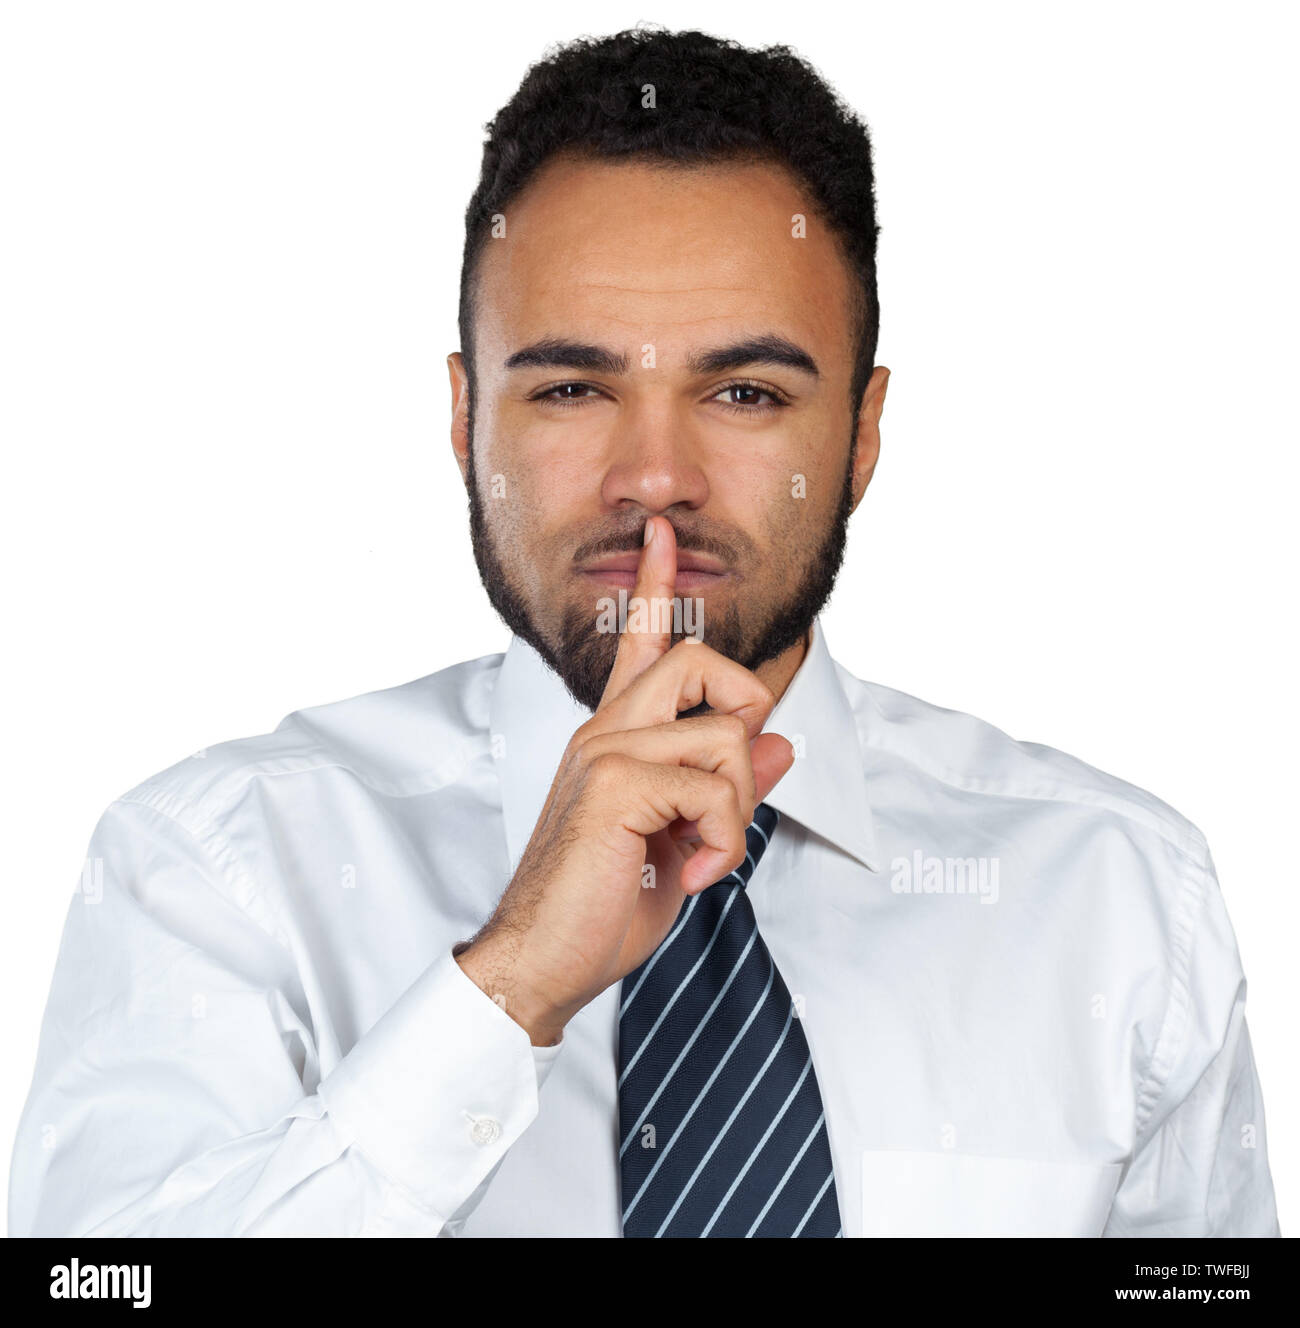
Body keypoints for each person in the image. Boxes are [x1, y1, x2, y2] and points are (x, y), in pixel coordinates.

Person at [9, 27, 1278, 1238]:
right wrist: (503, 988)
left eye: (743, 391)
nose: (653, 476)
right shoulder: (218, 874)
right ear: (465, 421)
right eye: (571, 386)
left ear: (863, 431)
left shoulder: (1121, 897)